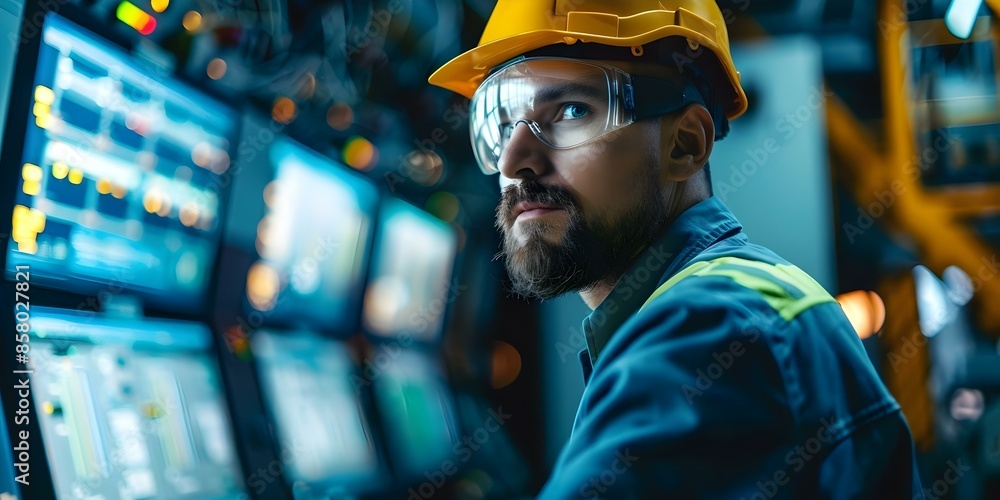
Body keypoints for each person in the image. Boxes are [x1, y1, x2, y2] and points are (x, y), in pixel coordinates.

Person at [429, 1, 923, 498]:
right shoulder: (741, 299)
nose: (515, 160)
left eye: (572, 111)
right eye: (502, 124)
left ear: (686, 144)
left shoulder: (713, 326)